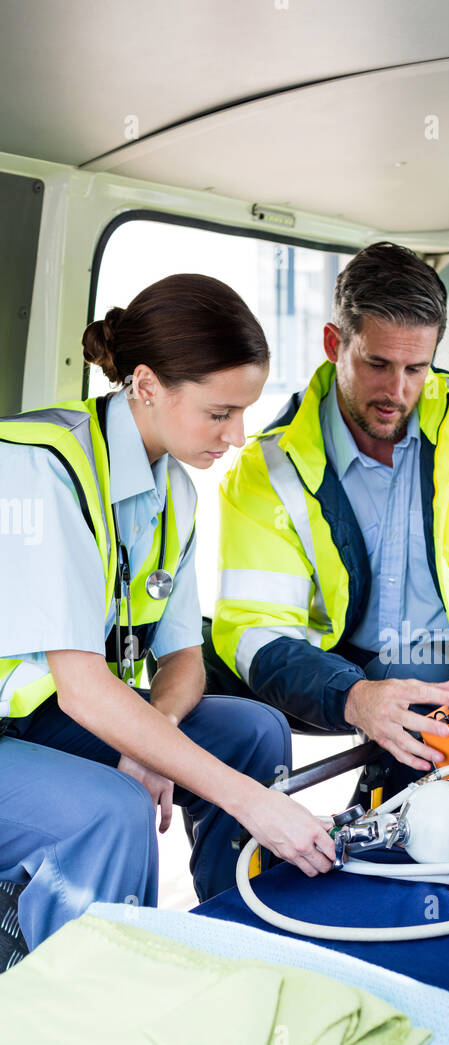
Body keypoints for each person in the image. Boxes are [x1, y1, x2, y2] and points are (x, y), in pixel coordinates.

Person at [0, 273, 334, 957]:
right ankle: (99, 1016)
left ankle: (242, 941)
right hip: (26, 726)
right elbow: (84, 687)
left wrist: (152, 736)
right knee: (114, 810)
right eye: (219, 413)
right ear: (146, 385)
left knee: (253, 731)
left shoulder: (174, 488)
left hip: (53, 722)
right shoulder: (39, 469)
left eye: (245, 411)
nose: (239, 435)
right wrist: (251, 802)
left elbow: (182, 658)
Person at [212, 242, 449, 774]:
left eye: (417, 369)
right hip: (354, 683)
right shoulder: (268, 468)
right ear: (334, 344)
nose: (397, 392)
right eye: (377, 364)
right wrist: (353, 695)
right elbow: (255, 627)